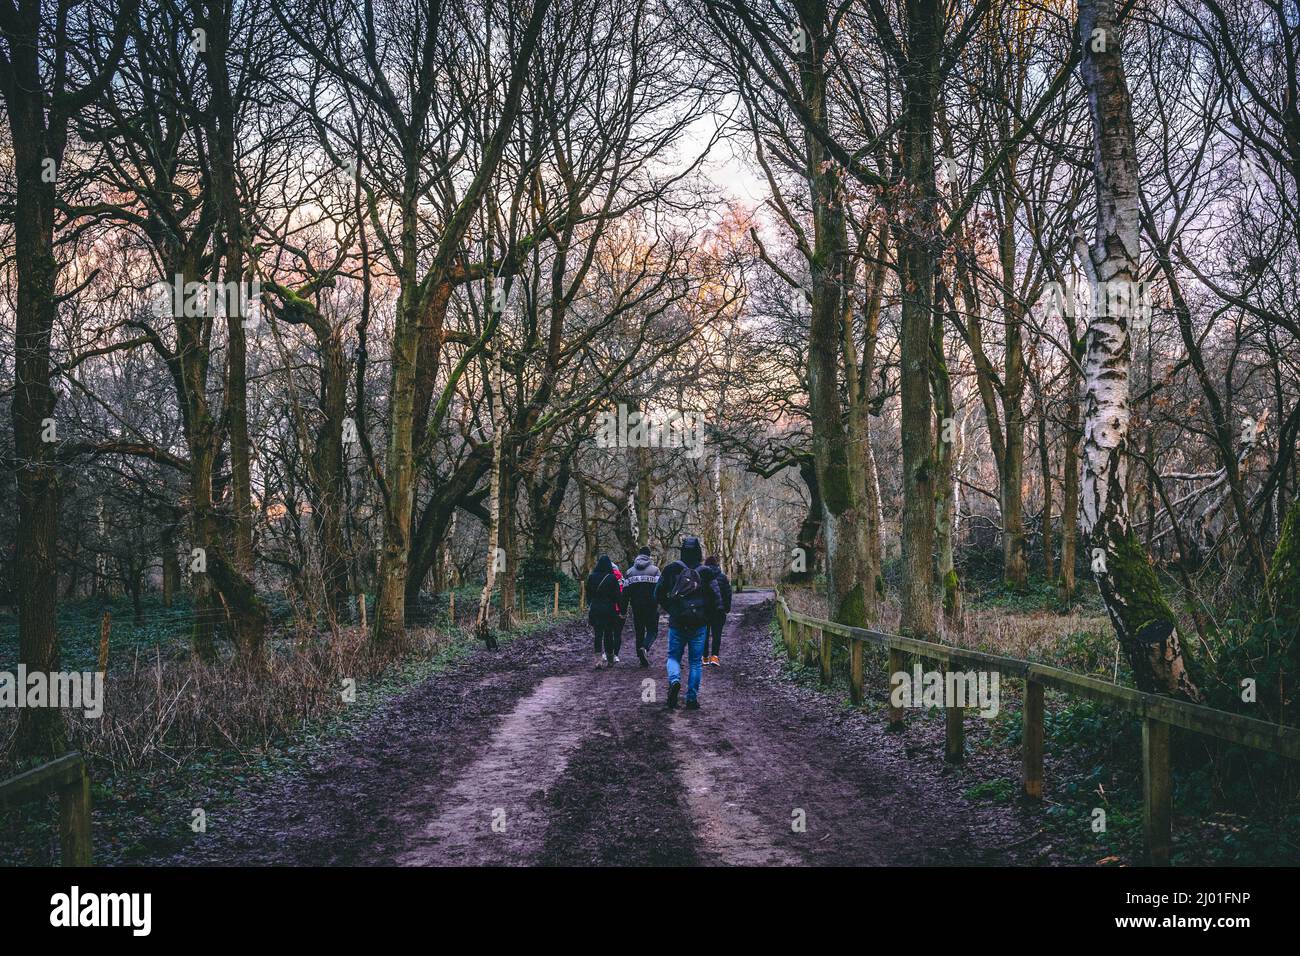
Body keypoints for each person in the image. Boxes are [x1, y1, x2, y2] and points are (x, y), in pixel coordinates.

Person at [654, 535, 721, 710]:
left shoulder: (671, 569)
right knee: (695, 662)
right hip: (699, 624)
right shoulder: (706, 572)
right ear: (698, 551)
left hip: (677, 622)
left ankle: (675, 680)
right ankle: (691, 698)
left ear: (682, 551)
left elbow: (658, 593)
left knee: (673, 656)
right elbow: (716, 598)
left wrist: (671, 609)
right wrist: (707, 616)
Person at [623, 547, 661, 667]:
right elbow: (660, 589)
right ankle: (644, 648)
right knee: (652, 630)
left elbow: (625, 593)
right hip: (651, 606)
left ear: (638, 555)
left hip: (636, 607)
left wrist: (623, 610)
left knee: (639, 631)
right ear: (649, 556)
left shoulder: (629, 572)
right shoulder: (655, 571)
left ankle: (641, 659)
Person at [586, 555, 622, 668]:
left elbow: (588, 595)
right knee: (608, 635)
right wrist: (621, 609)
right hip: (609, 610)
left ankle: (598, 661)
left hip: (596, 609)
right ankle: (610, 659)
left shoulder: (591, 577)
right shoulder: (612, 578)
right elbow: (617, 596)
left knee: (598, 634)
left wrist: (591, 605)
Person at [702, 555, 732, 667]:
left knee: (704, 634)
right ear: (716, 565)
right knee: (717, 634)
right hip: (719, 610)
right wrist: (727, 608)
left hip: (704, 611)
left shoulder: (701, 576)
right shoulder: (723, 577)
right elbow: (728, 593)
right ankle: (714, 657)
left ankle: (704, 657)